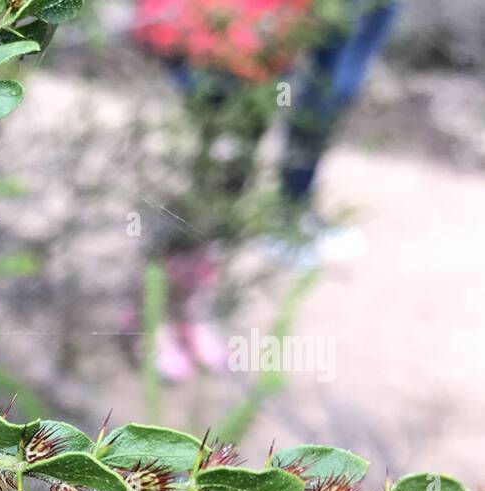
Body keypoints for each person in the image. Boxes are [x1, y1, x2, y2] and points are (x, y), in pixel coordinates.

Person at [133, 1, 401, 380]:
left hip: (266, 40)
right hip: (212, 32)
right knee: (196, 174)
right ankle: (153, 314)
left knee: (229, 178)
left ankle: (191, 310)